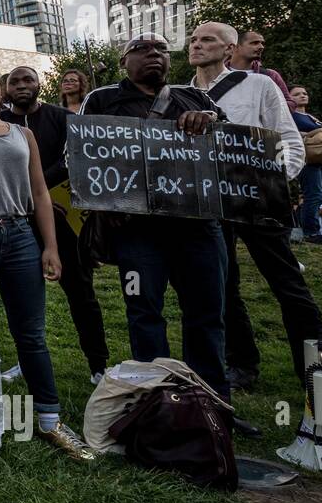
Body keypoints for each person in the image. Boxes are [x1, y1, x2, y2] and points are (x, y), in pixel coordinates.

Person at [81, 33, 250, 429]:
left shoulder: (198, 100)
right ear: (124, 60)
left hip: (198, 227)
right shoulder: (102, 100)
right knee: (144, 314)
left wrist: (210, 123)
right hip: (137, 233)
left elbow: (230, 150)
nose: (154, 55)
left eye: (160, 49)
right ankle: (157, 404)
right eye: (142, 49)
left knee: (208, 314)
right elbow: (84, 156)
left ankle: (213, 405)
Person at [0, 56, 93, 461]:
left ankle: (50, 419)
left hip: (19, 237)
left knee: (30, 333)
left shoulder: (22, 135)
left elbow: (41, 194)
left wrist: (49, 246)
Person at [187, 22, 322, 391]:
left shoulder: (258, 85)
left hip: (258, 202)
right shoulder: (180, 95)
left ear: (230, 48)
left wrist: (272, 186)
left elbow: (291, 144)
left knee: (288, 284)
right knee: (224, 287)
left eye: (207, 40)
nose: (197, 46)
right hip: (211, 205)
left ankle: (316, 370)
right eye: (194, 40)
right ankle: (242, 365)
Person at [1, 66, 109, 383]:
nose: (21, 85)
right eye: (14, 81)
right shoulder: (0, 125)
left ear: (38, 84)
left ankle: (98, 365)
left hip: (64, 219)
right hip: (18, 220)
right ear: (7, 89)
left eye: (27, 79)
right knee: (23, 297)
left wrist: (42, 195)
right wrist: (31, 199)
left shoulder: (62, 118)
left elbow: (73, 159)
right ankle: (26, 361)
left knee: (81, 293)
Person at [290, 85, 322, 244]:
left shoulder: (311, 117)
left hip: (320, 159)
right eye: (297, 94)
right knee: (312, 195)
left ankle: (300, 226)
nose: (302, 96)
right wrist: (309, 135)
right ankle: (311, 232)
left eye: (305, 93)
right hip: (306, 160)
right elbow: (288, 133)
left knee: (319, 196)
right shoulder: (291, 116)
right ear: (289, 98)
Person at [230, 29, 295, 110]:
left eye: (262, 43)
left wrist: (265, 106)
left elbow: (290, 104)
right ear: (236, 47)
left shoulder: (271, 75)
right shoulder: (217, 73)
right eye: (254, 43)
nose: (261, 47)